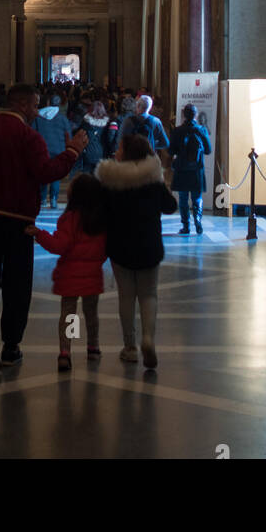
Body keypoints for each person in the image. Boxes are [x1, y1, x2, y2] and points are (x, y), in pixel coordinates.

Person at [0, 84, 88, 371]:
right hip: (18, 225)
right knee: (16, 287)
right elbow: (44, 173)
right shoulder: (29, 136)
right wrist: (72, 152)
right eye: (35, 105)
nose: (37, 111)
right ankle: (11, 346)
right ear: (23, 105)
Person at [97, 133, 177, 369]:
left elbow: (101, 212)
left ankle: (130, 347)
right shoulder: (152, 180)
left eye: (120, 147)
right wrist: (160, 184)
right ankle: (149, 339)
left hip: (120, 245)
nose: (116, 150)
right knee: (149, 294)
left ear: (128, 152)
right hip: (149, 244)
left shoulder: (111, 180)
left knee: (126, 296)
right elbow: (170, 206)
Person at [27, 173, 107, 371]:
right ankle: (93, 347)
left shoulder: (69, 219)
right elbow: (106, 248)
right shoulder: (100, 220)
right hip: (92, 277)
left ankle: (66, 352)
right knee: (91, 314)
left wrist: (39, 234)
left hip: (69, 277)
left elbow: (59, 245)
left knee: (70, 316)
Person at [168, 104, 212, 235]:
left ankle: (185, 226)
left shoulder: (177, 130)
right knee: (197, 197)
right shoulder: (201, 130)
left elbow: (171, 151)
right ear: (196, 115)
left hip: (182, 168)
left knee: (182, 198)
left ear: (183, 115)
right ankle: (198, 220)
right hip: (197, 169)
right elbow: (208, 150)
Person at [33, 93, 72, 209]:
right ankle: (54, 199)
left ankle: (43, 198)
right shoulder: (62, 119)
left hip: (42, 149)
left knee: (43, 174)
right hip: (58, 149)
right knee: (55, 175)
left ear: (48, 103)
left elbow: (32, 133)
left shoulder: (38, 117)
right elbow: (68, 135)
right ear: (59, 105)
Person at [118, 94, 170, 158]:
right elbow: (165, 143)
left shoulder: (128, 121)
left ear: (138, 105)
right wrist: (151, 145)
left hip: (132, 157)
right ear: (150, 107)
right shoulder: (156, 121)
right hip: (149, 158)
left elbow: (120, 141)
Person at [73, 99, 108, 174]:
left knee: (86, 177)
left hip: (87, 152)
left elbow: (79, 135)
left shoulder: (86, 123)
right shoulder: (106, 125)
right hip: (101, 152)